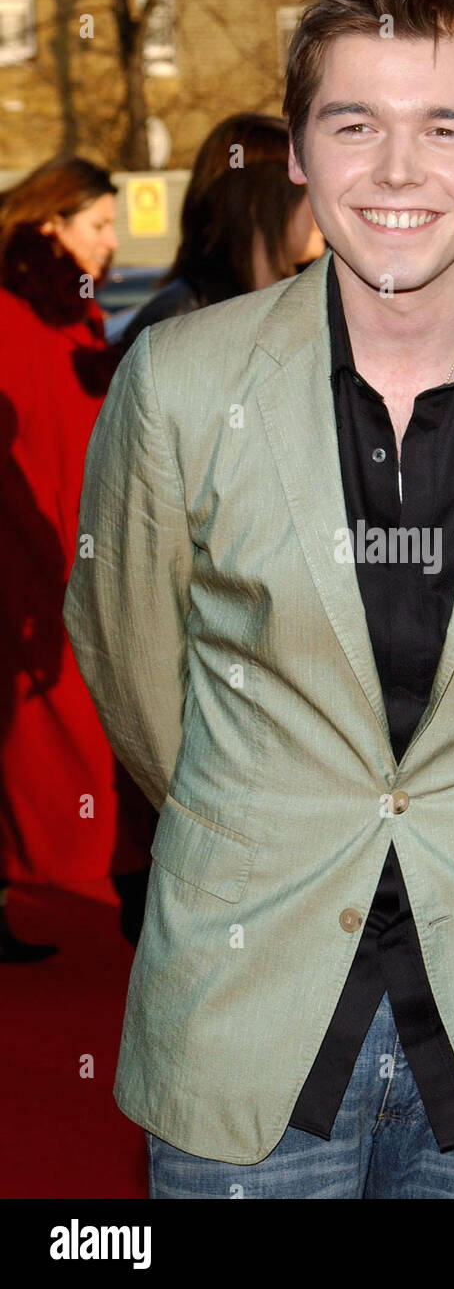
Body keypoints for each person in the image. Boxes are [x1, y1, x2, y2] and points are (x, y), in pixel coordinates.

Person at [64, 0, 454, 1199]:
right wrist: (259, 808)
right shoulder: (179, 380)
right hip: (244, 1026)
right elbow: (133, 663)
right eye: (354, 124)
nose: (397, 172)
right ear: (297, 152)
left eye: (445, 126)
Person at [0, 155, 156, 961]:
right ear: (49, 221)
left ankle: (111, 890)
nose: (110, 244)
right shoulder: (14, 309)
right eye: (97, 224)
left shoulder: (75, 313)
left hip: (68, 545)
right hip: (26, 552)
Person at [119, 113, 323, 354]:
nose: (323, 204)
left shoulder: (309, 305)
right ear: (259, 201)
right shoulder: (172, 326)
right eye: (310, 188)